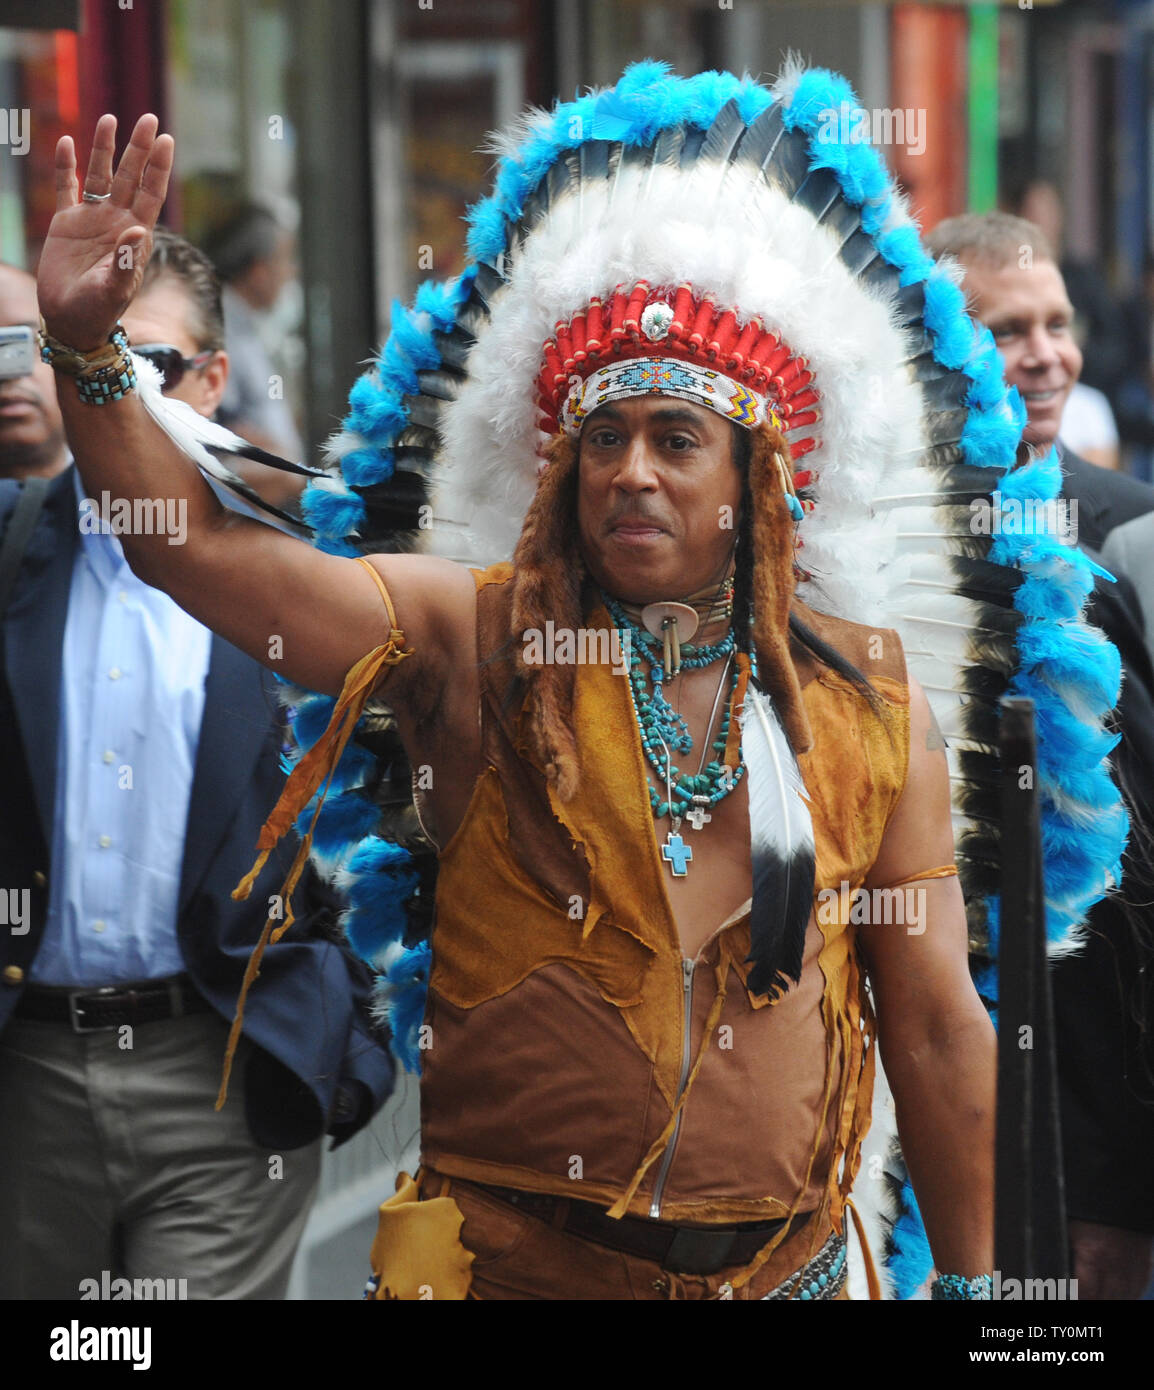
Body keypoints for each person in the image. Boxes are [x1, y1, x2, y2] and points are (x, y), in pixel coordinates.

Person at [34, 67, 1124, 1301]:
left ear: (755, 483)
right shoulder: (469, 637)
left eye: (674, 439)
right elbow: (198, 547)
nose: (631, 473)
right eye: (601, 439)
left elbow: (930, 1028)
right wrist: (85, 351)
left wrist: (982, 1298)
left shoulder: (868, 700)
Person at [0, 237, 395, 1300]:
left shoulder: (304, 577)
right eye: (82, 362)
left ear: (213, 379)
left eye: (144, 368)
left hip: (222, 1068)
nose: (107, 396)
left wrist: (345, 1016)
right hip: (28, 1085)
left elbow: (397, 800)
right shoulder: (12, 549)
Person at [927, 210, 1154, 1299]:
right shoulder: (886, 544)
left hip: (1076, 1109)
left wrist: (1113, 1189)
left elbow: (1127, 901)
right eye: (1007, 327)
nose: (1048, 354)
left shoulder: (1123, 539)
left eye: (1057, 323)